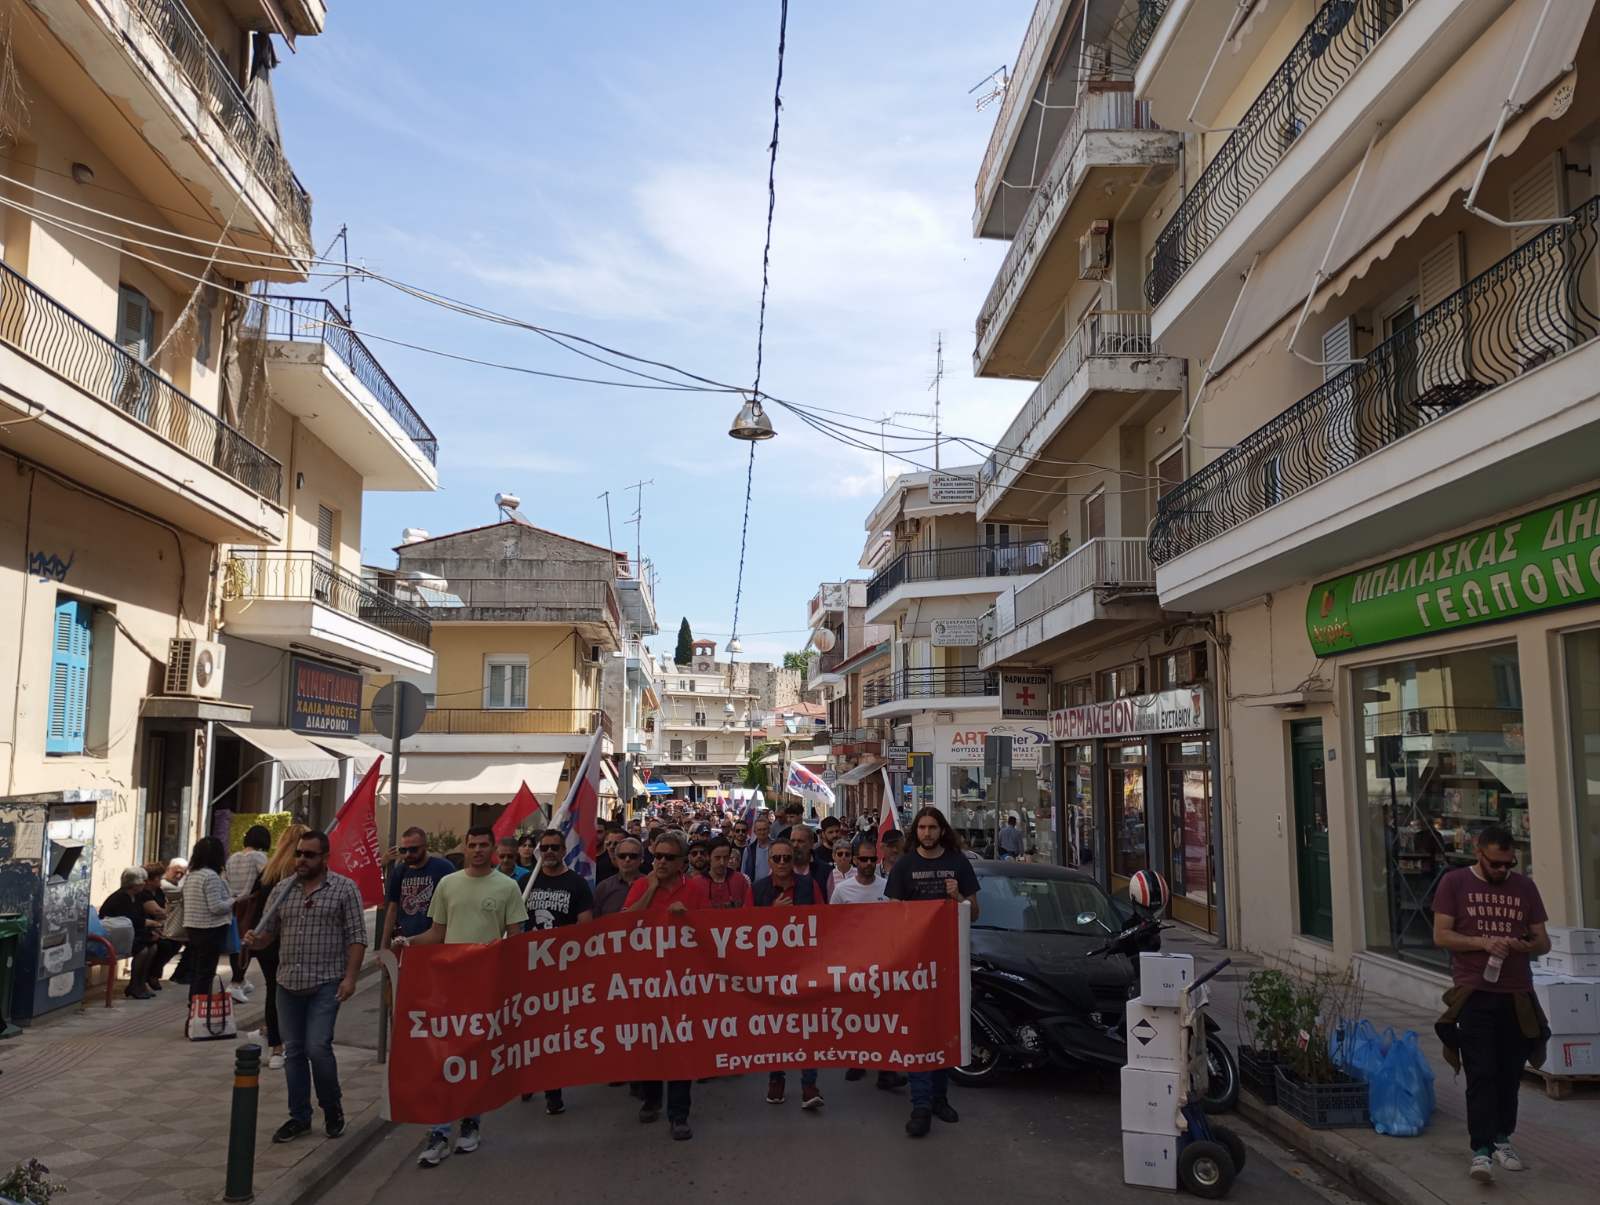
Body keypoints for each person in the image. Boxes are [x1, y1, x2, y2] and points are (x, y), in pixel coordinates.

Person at [394, 826, 528, 1167]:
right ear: (465, 848)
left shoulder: (508, 887)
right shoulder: (448, 884)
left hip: (486, 986)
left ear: (493, 848)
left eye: (484, 845)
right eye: (473, 845)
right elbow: (436, 933)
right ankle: (439, 1131)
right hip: (449, 984)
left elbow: (515, 941)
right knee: (444, 1055)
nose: (478, 850)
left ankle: (471, 1122)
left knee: (476, 1057)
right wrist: (408, 944)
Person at [1433, 825, 1551, 1184]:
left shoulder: (1525, 887)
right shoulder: (1454, 883)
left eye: (1508, 864)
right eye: (1495, 864)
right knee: (1481, 1071)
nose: (1502, 871)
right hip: (1474, 992)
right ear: (1478, 853)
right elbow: (1441, 935)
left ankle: (1503, 1138)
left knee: (1509, 1072)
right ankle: (1480, 1149)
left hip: (1517, 994)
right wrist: (1484, 942)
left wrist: (1524, 944)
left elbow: (1543, 941)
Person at [243, 831, 365, 1145]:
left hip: (325, 982)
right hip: (288, 984)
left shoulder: (343, 889)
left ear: (324, 858)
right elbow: (269, 934)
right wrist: (256, 940)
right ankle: (299, 1116)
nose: (302, 860)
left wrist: (350, 978)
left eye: (310, 855)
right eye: (299, 854)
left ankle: (332, 1107)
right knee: (294, 1052)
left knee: (318, 1048)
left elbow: (356, 937)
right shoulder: (283, 890)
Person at [885, 807, 980, 1138]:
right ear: (916, 832)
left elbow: (976, 913)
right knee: (918, 1034)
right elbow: (892, 918)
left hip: (950, 964)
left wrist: (957, 898)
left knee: (943, 1033)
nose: (927, 833)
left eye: (933, 827)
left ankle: (940, 1098)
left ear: (942, 831)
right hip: (915, 966)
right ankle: (921, 1105)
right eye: (922, 827)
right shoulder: (905, 866)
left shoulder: (958, 863)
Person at [624, 831, 710, 1141]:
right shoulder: (639, 886)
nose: (660, 861)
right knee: (650, 1042)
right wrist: (650, 890)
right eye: (657, 856)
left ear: (682, 863)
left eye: (668, 857)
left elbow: (710, 932)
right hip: (646, 980)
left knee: (680, 1047)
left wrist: (687, 918)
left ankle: (678, 1113)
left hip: (683, 981)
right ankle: (650, 1097)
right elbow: (624, 925)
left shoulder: (696, 890)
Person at [754, 839, 826, 1109]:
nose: (782, 863)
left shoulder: (809, 885)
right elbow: (746, 931)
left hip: (806, 966)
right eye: (777, 858)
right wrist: (773, 916)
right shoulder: (759, 889)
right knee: (778, 1028)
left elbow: (824, 920)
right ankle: (776, 1079)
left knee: (807, 1027)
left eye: (787, 858)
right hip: (773, 971)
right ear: (769, 861)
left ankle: (809, 1084)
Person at [832, 840, 905, 1091]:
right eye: (862, 859)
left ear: (878, 860)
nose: (867, 864)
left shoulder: (888, 887)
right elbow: (831, 925)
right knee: (858, 1015)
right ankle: (858, 1060)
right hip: (854, 962)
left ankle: (886, 1070)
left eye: (871, 859)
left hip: (883, 961)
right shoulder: (842, 890)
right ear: (855, 860)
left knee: (884, 1017)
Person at [250, 823, 308, 1070]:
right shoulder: (299, 873)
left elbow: (250, 899)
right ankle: (288, 1043)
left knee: (274, 991)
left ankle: (275, 1045)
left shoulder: (268, 870)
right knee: (293, 994)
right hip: (290, 940)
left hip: (263, 940)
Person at [381, 827, 456, 951]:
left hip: (435, 943)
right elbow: (392, 909)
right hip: (404, 942)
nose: (408, 854)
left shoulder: (443, 868)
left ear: (425, 846)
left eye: (414, 849)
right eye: (404, 850)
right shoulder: (400, 870)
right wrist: (384, 946)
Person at [181, 836, 235, 1004]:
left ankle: (194, 1007)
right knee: (206, 972)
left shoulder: (192, 876)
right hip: (210, 929)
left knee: (198, 970)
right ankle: (200, 1010)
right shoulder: (210, 877)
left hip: (193, 928)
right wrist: (234, 901)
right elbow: (217, 907)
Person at [223, 825, 272, 1001]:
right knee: (249, 943)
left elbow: (225, 880)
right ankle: (236, 983)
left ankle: (240, 980)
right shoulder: (259, 857)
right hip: (251, 905)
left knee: (237, 944)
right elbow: (269, 878)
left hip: (234, 904)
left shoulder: (232, 858)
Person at [99, 867, 161, 998]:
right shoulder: (120, 898)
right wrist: (149, 924)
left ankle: (140, 983)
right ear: (134, 884)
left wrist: (150, 931)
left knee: (153, 947)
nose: (144, 884)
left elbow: (137, 919)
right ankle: (134, 985)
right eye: (142, 882)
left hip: (129, 934)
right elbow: (129, 920)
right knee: (142, 950)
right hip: (115, 936)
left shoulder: (136, 897)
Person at [157, 857, 189, 984]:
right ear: (169, 869)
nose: (179, 875)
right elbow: (183, 893)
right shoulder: (165, 885)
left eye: (182, 873)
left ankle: (179, 975)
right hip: (166, 928)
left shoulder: (176, 885)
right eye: (176, 871)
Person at [594, 837, 645, 916]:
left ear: (641, 859)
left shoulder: (651, 884)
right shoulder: (604, 887)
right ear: (616, 859)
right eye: (622, 856)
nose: (627, 859)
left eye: (633, 856)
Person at [786, 822, 831, 898]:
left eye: (800, 841)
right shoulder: (781, 868)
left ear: (811, 844)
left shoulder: (826, 871)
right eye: (792, 841)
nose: (795, 845)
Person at [704, 836, 750, 908]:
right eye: (717, 858)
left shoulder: (740, 880)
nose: (722, 862)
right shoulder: (697, 883)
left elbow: (748, 909)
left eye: (726, 857)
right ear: (708, 857)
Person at [743, 814, 774, 882]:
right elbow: (743, 873)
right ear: (755, 831)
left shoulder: (777, 847)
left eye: (764, 829)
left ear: (769, 830)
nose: (762, 832)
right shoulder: (749, 850)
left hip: (774, 887)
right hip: (755, 888)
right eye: (759, 830)